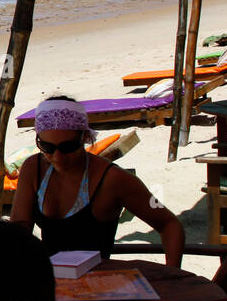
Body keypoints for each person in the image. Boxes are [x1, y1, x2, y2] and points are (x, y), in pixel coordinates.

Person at [11, 97, 184, 267]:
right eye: (47, 147)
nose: (57, 157)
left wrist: (173, 275)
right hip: (52, 280)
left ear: (85, 137)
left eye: (68, 147)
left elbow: (169, 224)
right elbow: (19, 230)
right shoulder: (33, 168)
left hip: (98, 282)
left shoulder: (113, 179)